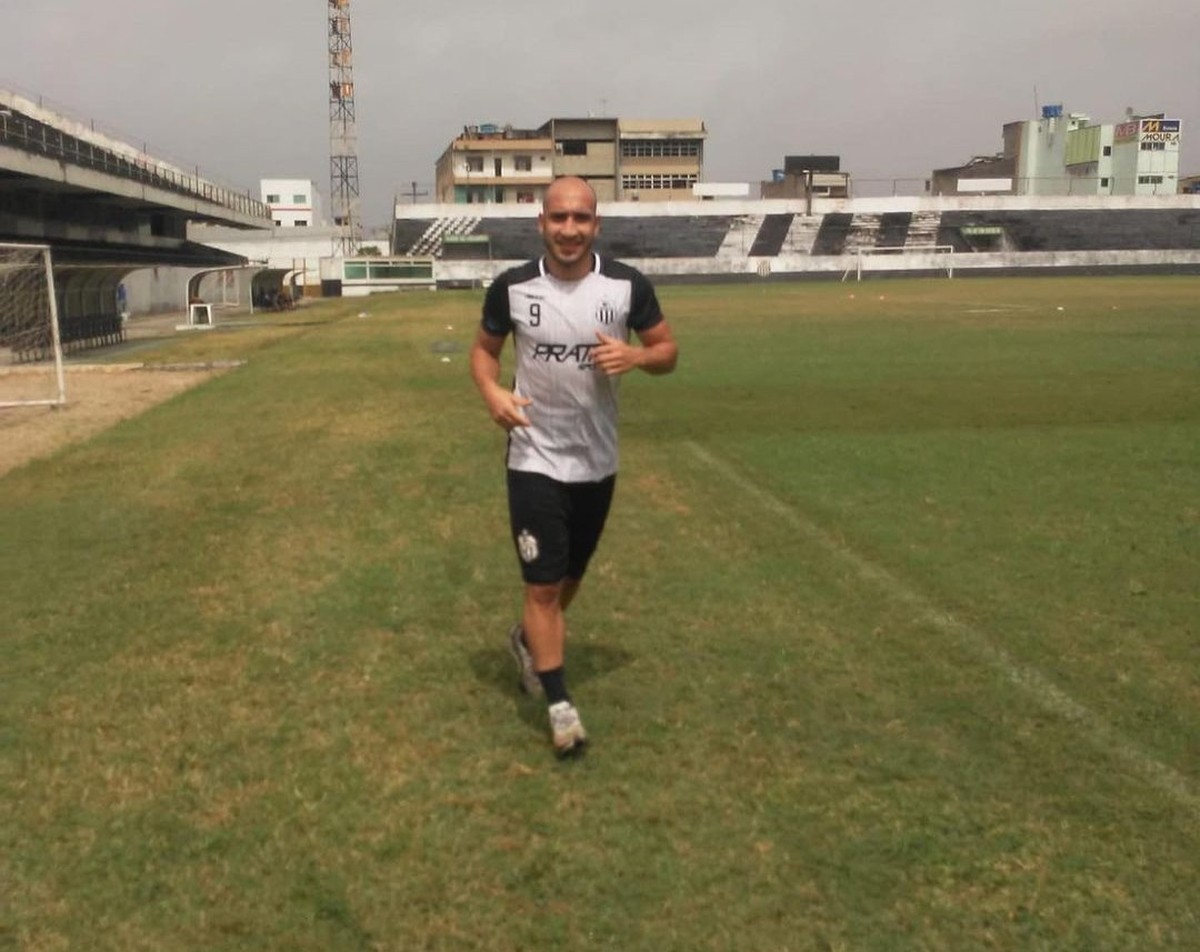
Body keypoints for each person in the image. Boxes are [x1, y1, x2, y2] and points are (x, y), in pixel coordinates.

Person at [469, 176, 678, 758]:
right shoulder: (511, 288)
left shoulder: (625, 286)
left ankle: (526, 640)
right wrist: (493, 397)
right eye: (558, 218)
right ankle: (560, 705)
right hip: (534, 456)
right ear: (541, 223)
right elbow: (484, 354)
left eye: (580, 219)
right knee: (540, 587)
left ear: (596, 225)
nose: (568, 229)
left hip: (597, 460)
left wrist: (637, 356)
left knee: (568, 581)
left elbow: (668, 352)